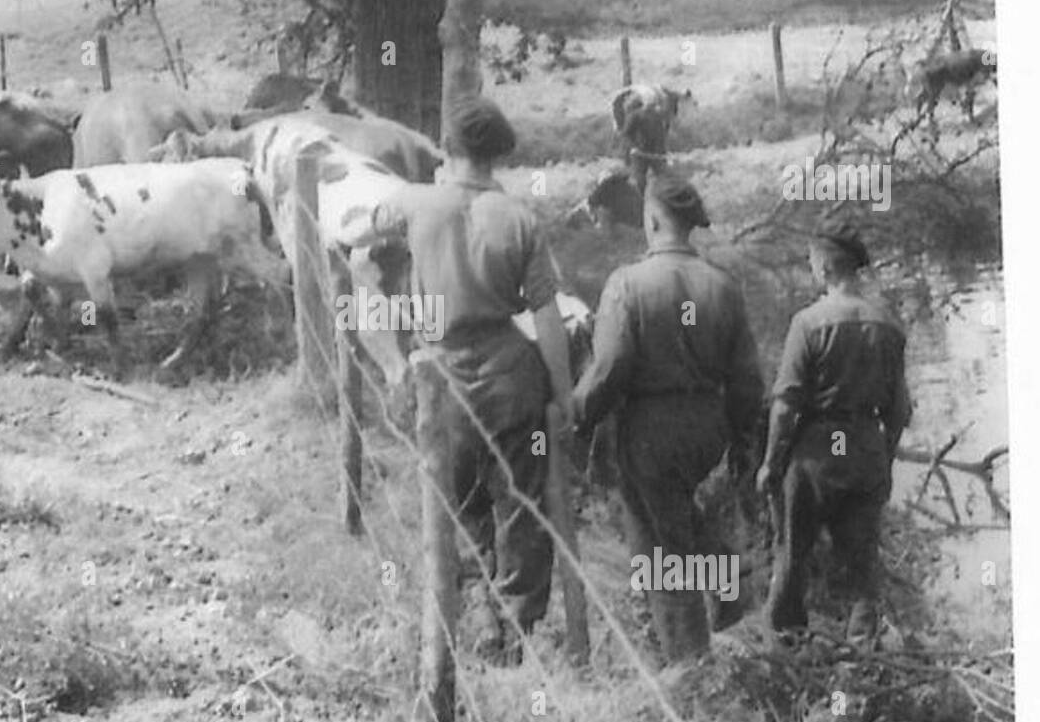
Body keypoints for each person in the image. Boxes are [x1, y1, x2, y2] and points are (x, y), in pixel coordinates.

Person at [368, 95, 575, 664]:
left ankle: (476, 613)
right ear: (495, 156)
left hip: (443, 376)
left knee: (456, 499)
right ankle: (514, 629)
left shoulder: (417, 204)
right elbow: (547, 315)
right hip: (511, 373)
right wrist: (562, 392)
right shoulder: (519, 218)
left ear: (450, 149)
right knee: (521, 501)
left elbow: (364, 228)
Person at [574, 172, 764, 663]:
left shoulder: (627, 284)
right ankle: (728, 591)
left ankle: (690, 671)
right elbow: (747, 383)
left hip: (649, 433)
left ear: (654, 219)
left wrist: (574, 417)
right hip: (709, 427)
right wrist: (739, 442)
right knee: (683, 521)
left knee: (661, 555)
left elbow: (610, 370)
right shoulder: (723, 286)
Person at [756, 217, 912, 646]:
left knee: (792, 554)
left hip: (815, 455)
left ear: (825, 268)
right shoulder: (888, 325)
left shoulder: (808, 323)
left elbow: (786, 405)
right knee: (863, 568)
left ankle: (788, 648)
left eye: (812, 264)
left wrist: (771, 464)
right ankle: (864, 655)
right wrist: (885, 458)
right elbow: (899, 410)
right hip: (863, 449)